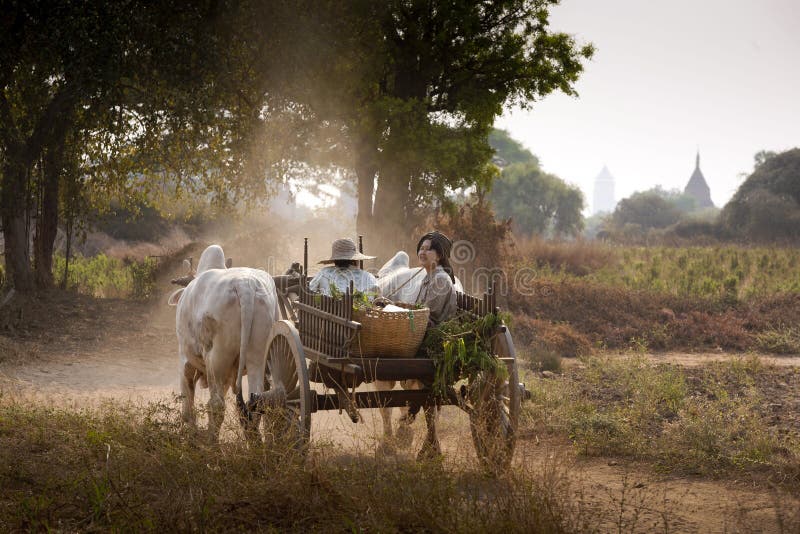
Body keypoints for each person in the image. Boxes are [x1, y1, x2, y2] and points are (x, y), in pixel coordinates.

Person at [309, 238, 380, 297]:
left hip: (327, 310)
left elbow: (311, 289)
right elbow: (378, 297)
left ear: (335, 260)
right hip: (363, 313)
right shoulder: (368, 276)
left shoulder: (324, 272)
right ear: (355, 260)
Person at [415, 230, 457, 327]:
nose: (422, 252)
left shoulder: (440, 279)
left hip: (433, 334)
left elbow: (427, 315)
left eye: (428, 249)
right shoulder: (429, 276)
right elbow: (417, 308)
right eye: (421, 248)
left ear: (439, 256)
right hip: (421, 328)